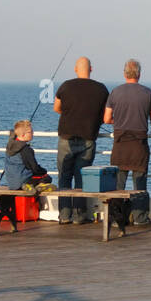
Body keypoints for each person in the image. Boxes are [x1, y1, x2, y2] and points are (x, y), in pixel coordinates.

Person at [104, 59, 151, 231]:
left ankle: (116, 218)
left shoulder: (115, 92)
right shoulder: (147, 93)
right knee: (139, 184)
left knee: (118, 184)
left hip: (120, 144)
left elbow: (106, 119)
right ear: (139, 74)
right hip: (139, 145)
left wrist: (118, 121)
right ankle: (141, 218)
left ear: (124, 73)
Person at [53, 57, 109, 225]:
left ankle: (64, 215)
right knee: (81, 178)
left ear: (76, 69)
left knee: (64, 176)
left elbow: (57, 108)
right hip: (88, 139)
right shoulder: (101, 89)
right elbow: (106, 115)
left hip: (66, 138)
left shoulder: (66, 86)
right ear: (91, 69)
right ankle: (79, 215)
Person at [3, 120, 53, 190]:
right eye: (30, 132)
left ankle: (30, 186)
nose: (33, 133)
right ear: (23, 135)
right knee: (47, 178)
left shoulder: (10, 145)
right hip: (23, 181)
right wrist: (44, 171)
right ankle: (32, 185)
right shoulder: (26, 149)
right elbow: (34, 168)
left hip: (12, 183)